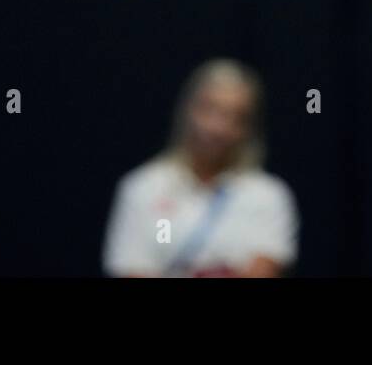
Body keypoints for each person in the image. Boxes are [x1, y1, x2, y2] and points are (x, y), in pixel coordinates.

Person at [103, 59, 298, 277]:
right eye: (209, 109)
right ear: (187, 110)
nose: (217, 127)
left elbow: (263, 270)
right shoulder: (143, 188)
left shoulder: (268, 196)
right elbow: (133, 268)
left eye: (235, 116)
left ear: (248, 128)